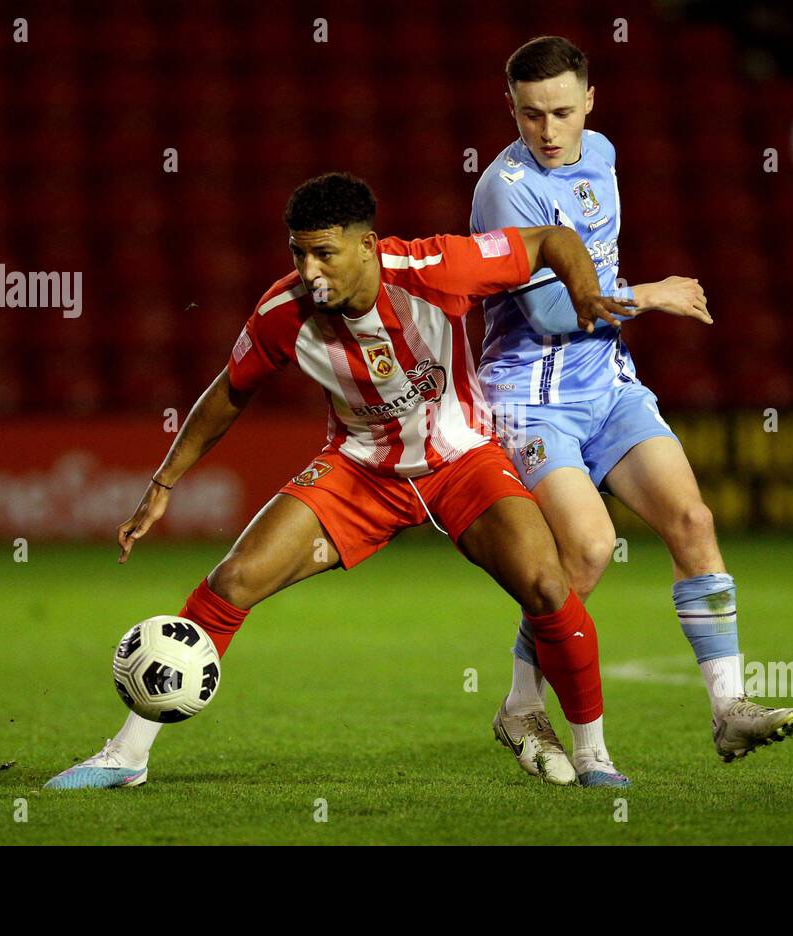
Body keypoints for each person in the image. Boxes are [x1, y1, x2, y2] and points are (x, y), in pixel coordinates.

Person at [46, 171, 637, 789]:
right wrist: (164, 483)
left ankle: (593, 754)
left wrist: (587, 294)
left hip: (461, 459)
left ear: (366, 245)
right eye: (298, 252)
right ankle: (127, 754)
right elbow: (229, 391)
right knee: (235, 578)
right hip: (361, 470)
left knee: (546, 585)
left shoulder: (436, 268)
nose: (309, 270)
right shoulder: (283, 313)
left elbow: (549, 240)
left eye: (323, 253)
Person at [471, 36, 793, 787]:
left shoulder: (604, 155)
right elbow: (555, 312)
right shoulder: (506, 190)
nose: (547, 131)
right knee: (586, 552)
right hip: (531, 396)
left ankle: (729, 710)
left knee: (692, 522)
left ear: (591, 101)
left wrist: (630, 309)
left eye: (561, 111)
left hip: (608, 383)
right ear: (510, 110)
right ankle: (522, 704)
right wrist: (655, 295)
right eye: (529, 115)